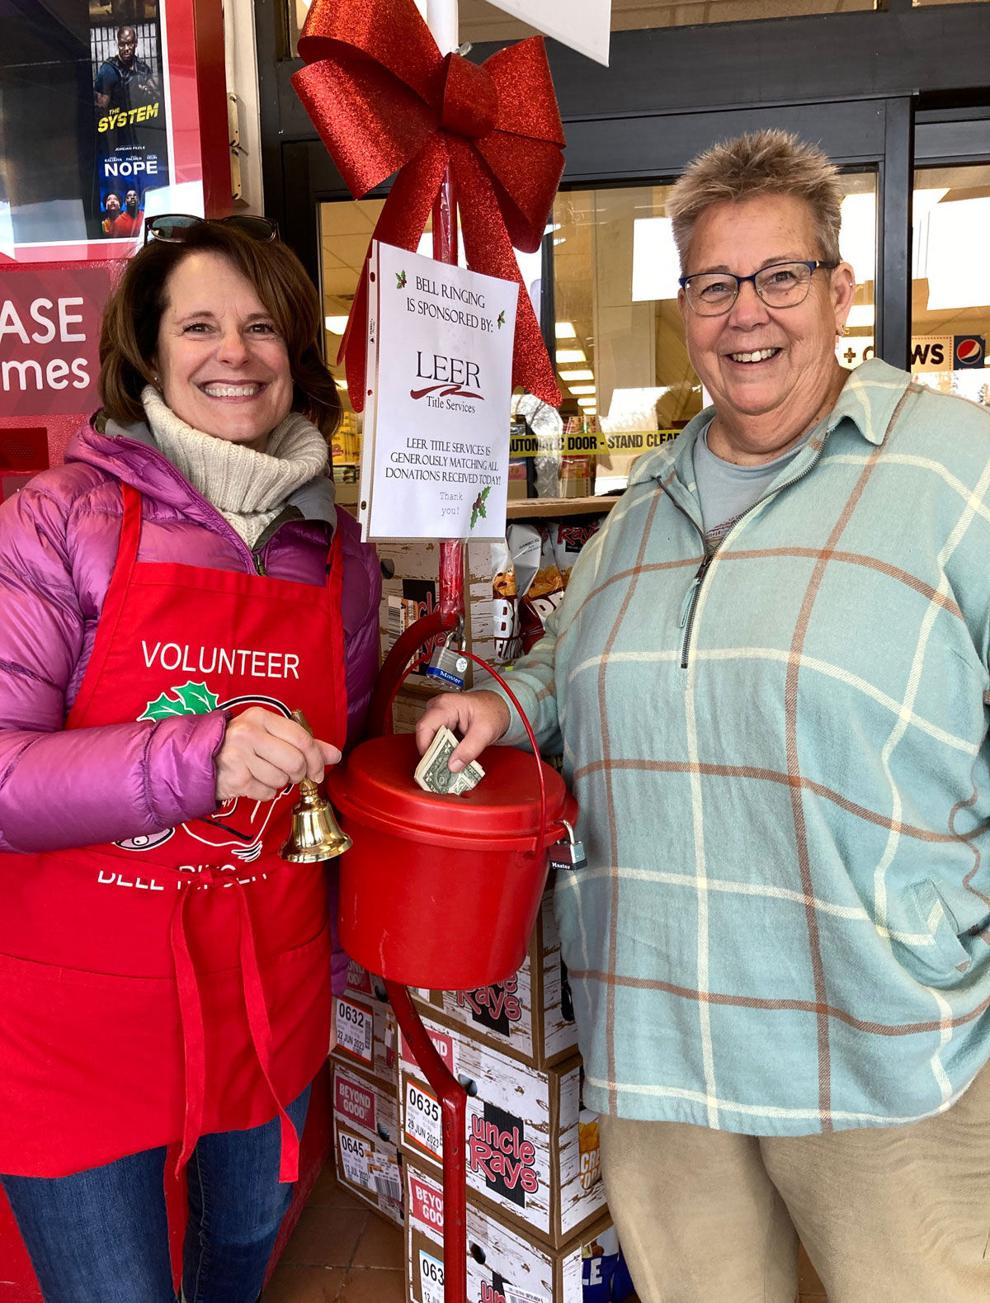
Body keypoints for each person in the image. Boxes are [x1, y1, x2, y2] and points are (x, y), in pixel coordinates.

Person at [418, 129, 990, 1303]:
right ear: (685, 308)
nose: (748, 314)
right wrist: (497, 704)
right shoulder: (638, 509)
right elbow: (575, 676)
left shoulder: (959, 471)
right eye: (715, 285)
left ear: (841, 289)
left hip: (881, 1047)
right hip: (659, 1047)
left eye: (780, 276)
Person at [0, 214, 381, 1303]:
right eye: (200, 324)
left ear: (295, 354)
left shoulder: (333, 561)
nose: (235, 352)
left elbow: (333, 784)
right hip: (73, 1012)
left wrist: (345, 953)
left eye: (263, 326)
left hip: (264, 995)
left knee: (244, 1247)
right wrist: (196, 757)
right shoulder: (55, 521)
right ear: (150, 350)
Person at [94, 25, 159, 115]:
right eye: (122, 44)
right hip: (117, 122)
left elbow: (157, 97)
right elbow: (101, 107)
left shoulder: (142, 68)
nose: (126, 48)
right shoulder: (109, 70)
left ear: (135, 43)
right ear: (117, 44)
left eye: (130, 43)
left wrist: (146, 95)